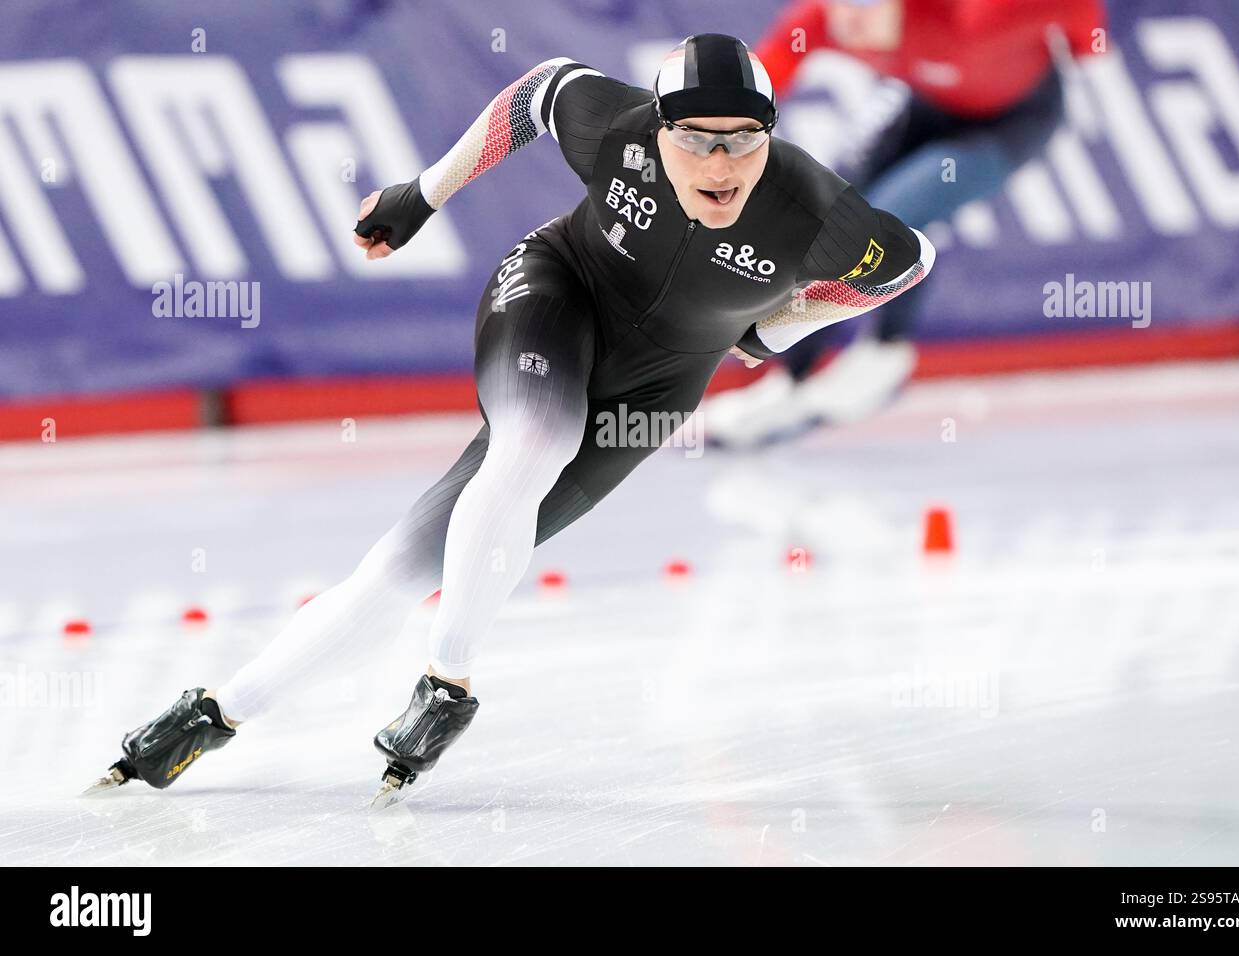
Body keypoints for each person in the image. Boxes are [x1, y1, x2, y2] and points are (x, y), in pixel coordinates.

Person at [85, 33, 935, 803]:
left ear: (772, 133)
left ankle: (213, 714)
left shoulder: (818, 212)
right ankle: (447, 688)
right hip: (555, 293)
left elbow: (909, 262)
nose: (721, 162)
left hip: (660, 385)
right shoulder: (619, 131)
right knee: (534, 440)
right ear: (657, 127)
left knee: (405, 566)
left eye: (743, 138)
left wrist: (777, 330)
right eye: (695, 137)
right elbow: (535, 92)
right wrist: (421, 193)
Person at [703, 0, 1105, 448]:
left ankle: (886, 352)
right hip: (922, 102)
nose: (852, 20)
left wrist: (1087, 52)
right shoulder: (819, 20)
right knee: (825, 211)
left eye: (867, 6)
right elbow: (752, 94)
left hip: (1009, 120)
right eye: (842, 6)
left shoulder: (980, 13)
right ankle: (790, 380)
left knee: (887, 218)